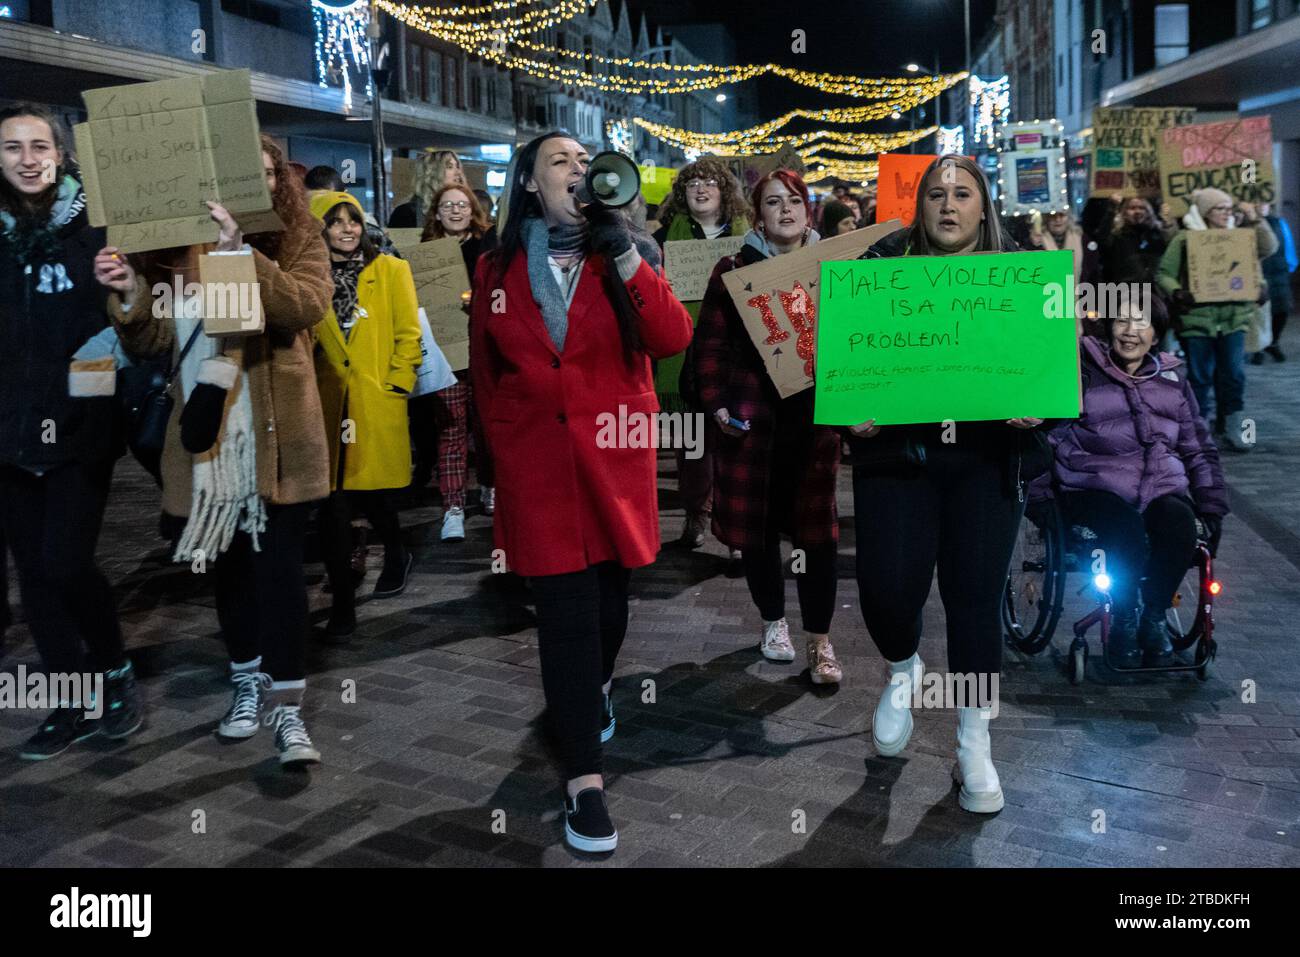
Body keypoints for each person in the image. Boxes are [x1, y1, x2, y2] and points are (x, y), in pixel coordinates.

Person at [470, 131, 692, 854]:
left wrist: (626, 247)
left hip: (614, 464)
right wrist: (499, 451)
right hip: (537, 466)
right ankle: (585, 783)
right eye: (557, 160)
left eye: (581, 159)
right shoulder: (495, 266)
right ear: (531, 183)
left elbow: (669, 336)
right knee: (564, 617)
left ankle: (593, 689)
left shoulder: (629, 254)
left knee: (607, 605)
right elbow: (485, 367)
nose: (574, 167)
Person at [98, 134, 333, 767]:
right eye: (238, 178)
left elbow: (306, 306)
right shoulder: (179, 249)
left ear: (278, 184)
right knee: (228, 571)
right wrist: (126, 291)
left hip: (280, 437)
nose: (251, 190)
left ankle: (288, 711)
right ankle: (247, 684)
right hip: (208, 440)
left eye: (263, 177)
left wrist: (244, 257)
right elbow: (152, 341)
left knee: (281, 574)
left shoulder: (298, 235)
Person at [849, 155, 1047, 814]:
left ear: (983, 206)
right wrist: (855, 407)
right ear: (920, 205)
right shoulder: (878, 271)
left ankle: (972, 740)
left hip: (987, 462)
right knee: (885, 588)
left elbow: (1053, 363)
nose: (949, 204)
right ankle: (904, 666)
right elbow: (845, 364)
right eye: (937, 193)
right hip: (900, 460)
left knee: (973, 600)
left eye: (963, 193)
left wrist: (1038, 401)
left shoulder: (1020, 277)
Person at [1, 103, 142, 758]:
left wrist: (127, 288)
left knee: (66, 560)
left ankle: (113, 667)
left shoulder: (95, 229)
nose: (27, 159)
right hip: (8, 432)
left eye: (39, 146)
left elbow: (137, 313)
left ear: (60, 156)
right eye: (12, 148)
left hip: (79, 425)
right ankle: (69, 698)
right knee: (32, 574)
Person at [692, 168, 845, 684]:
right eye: (774, 202)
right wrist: (716, 404)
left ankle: (820, 640)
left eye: (795, 201)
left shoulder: (837, 269)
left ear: (809, 211)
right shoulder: (733, 269)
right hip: (753, 425)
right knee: (756, 535)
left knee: (816, 538)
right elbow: (710, 346)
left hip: (813, 426)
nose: (785, 210)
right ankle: (773, 622)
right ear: (759, 213)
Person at [1046, 302, 1227, 668]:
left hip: (1160, 485)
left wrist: (1211, 503)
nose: (1130, 331)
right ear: (1109, 328)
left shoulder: (1173, 380)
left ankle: (1154, 615)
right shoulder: (1081, 371)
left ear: (1156, 335)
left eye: (1141, 324)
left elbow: (1197, 446)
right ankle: (1125, 618)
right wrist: (1039, 497)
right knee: (1125, 530)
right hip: (1092, 484)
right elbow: (1049, 438)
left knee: (1179, 525)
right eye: (1122, 321)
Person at [310, 190, 421, 638]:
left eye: (352, 220)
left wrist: (398, 382)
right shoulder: (307, 276)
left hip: (376, 400)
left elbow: (409, 333)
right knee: (332, 509)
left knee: (377, 498)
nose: (347, 229)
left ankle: (395, 552)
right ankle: (342, 602)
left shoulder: (391, 270)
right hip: (327, 406)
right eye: (335, 222)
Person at [651, 157, 749, 550]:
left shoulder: (748, 239)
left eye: (709, 182)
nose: (701, 189)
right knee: (692, 444)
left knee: (733, 442)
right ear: (682, 194)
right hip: (683, 353)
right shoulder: (662, 240)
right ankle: (697, 514)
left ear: (724, 191)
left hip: (731, 353)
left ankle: (734, 522)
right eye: (692, 183)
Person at [1157, 189, 1277, 450]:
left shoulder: (1240, 238)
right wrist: (1177, 292)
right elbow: (1164, 273)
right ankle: (1198, 427)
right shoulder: (1185, 239)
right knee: (1200, 377)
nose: (1226, 213)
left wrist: (1261, 286)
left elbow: (1252, 268)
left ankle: (1232, 423)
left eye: (1228, 208)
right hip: (1197, 320)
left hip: (1234, 318)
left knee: (1233, 373)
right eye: (1219, 208)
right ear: (1205, 212)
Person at [418, 183, 499, 535]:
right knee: (451, 430)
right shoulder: (423, 253)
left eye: (462, 205)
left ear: (472, 211)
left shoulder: (490, 248)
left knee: (488, 427)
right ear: (436, 212)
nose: (455, 210)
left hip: (484, 349)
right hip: (445, 353)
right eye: (448, 205)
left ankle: (490, 486)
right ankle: (452, 505)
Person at [1253, 202, 1296, 363]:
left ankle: (1273, 342)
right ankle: (1259, 347)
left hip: (1279, 273)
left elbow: (1288, 245)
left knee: (1282, 310)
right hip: (1259, 273)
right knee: (1260, 313)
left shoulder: (1278, 222)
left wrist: (1290, 266)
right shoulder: (1245, 223)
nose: (1261, 206)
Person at [1101, 195, 1170, 289]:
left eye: (1142, 208)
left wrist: (1168, 220)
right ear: (1124, 212)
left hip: (1155, 293)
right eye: (1132, 208)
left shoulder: (1156, 235)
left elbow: (1170, 243)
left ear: (1148, 211)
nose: (1137, 211)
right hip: (1126, 293)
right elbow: (1102, 240)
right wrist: (1111, 209)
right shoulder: (1117, 237)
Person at [387, 149, 464, 229]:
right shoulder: (406, 213)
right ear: (433, 173)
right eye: (450, 167)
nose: (458, 172)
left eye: (457, 167)